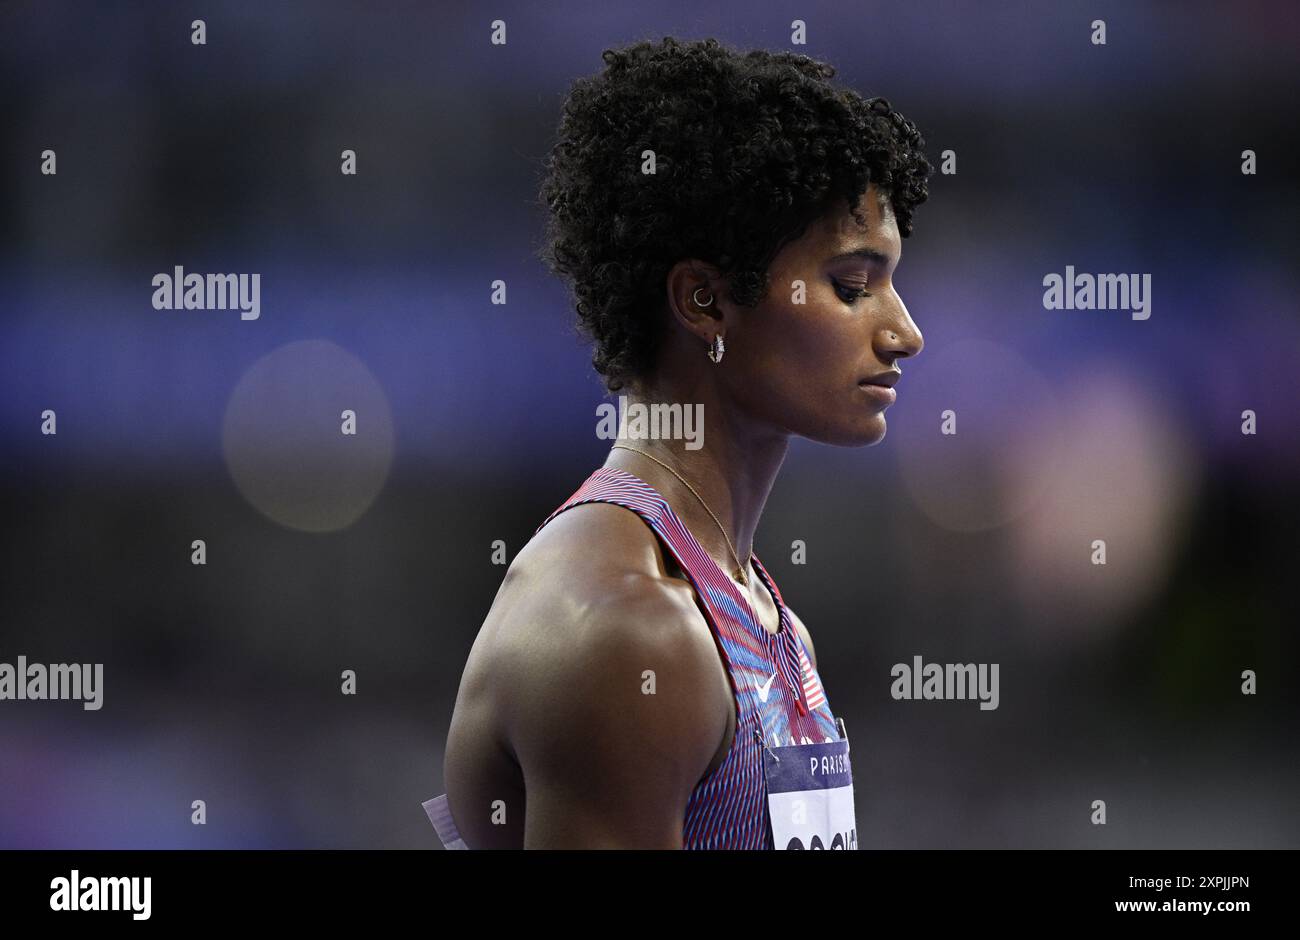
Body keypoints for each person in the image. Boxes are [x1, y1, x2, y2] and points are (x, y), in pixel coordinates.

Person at [426, 36, 929, 849]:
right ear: (705, 301)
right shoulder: (623, 631)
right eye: (852, 286)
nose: (904, 332)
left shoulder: (762, 618)